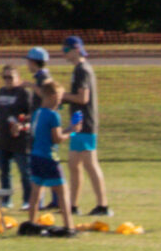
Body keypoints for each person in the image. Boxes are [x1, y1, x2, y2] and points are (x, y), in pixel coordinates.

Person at [18, 79, 69, 236]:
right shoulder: (54, 115)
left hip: (35, 156)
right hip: (49, 157)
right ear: (52, 96)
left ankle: (32, 223)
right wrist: (72, 131)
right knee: (63, 192)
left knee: (36, 192)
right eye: (59, 97)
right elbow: (57, 139)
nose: (61, 101)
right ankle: (69, 226)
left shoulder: (37, 113)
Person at [64, 66, 111, 220]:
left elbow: (83, 98)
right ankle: (73, 206)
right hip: (76, 124)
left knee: (90, 164)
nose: (65, 54)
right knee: (73, 164)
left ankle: (103, 206)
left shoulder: (82, 70)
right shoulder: (78, 69)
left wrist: (62, 95)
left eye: (66, 53)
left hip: (85, 125)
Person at [0, 63, 30, 197]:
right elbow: (0, 112)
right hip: (2, 139)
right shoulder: (1, 91)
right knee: (4, 172)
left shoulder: (24, 93)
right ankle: (6, 200)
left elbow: (31, 114)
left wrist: (21, 124)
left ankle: (28, 200)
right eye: (5, 77)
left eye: (10, 77)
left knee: (25, 172)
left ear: (18, 78)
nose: (7, 80)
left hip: (19, 140)